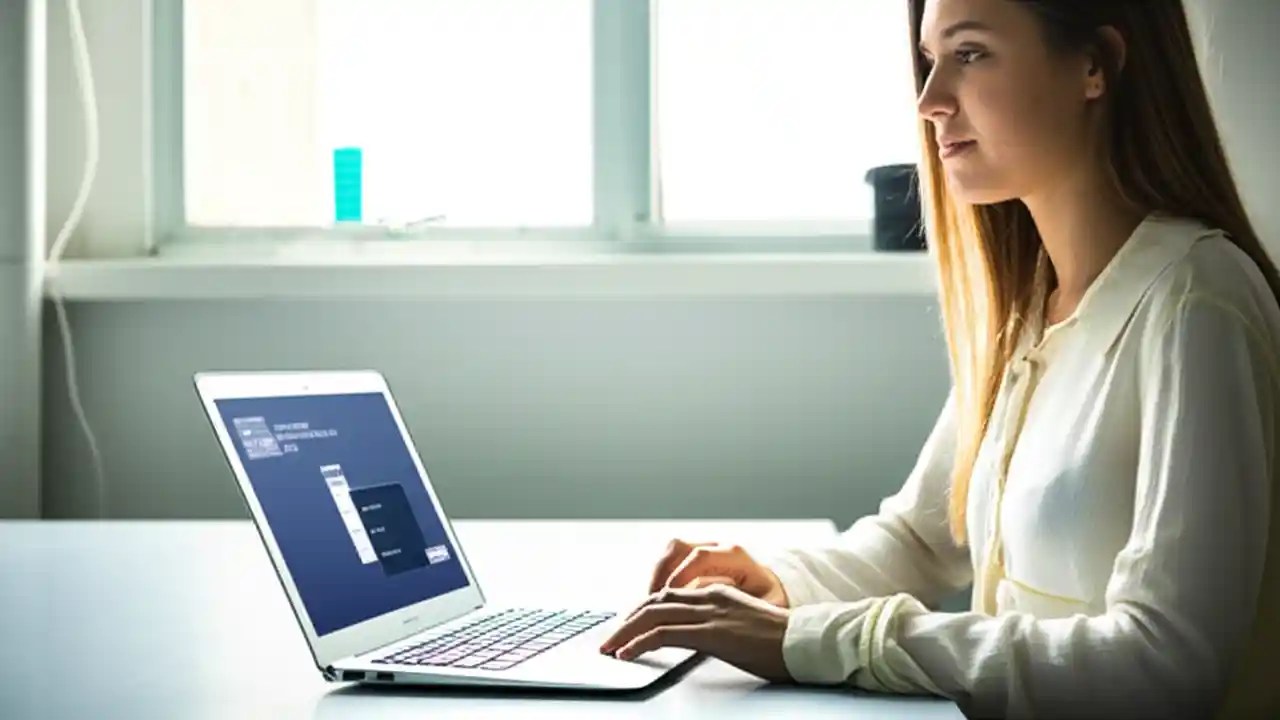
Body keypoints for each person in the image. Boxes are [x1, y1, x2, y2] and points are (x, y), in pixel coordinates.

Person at [598, 0, 1280, 717]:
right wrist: (773, 586)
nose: (930, 101)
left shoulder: (1198, 301)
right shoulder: (1033, 310)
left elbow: (1166, 662)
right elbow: (921, 541)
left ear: (1093, 65)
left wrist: (811, 638)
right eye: (930, 61)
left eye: (972, 53)